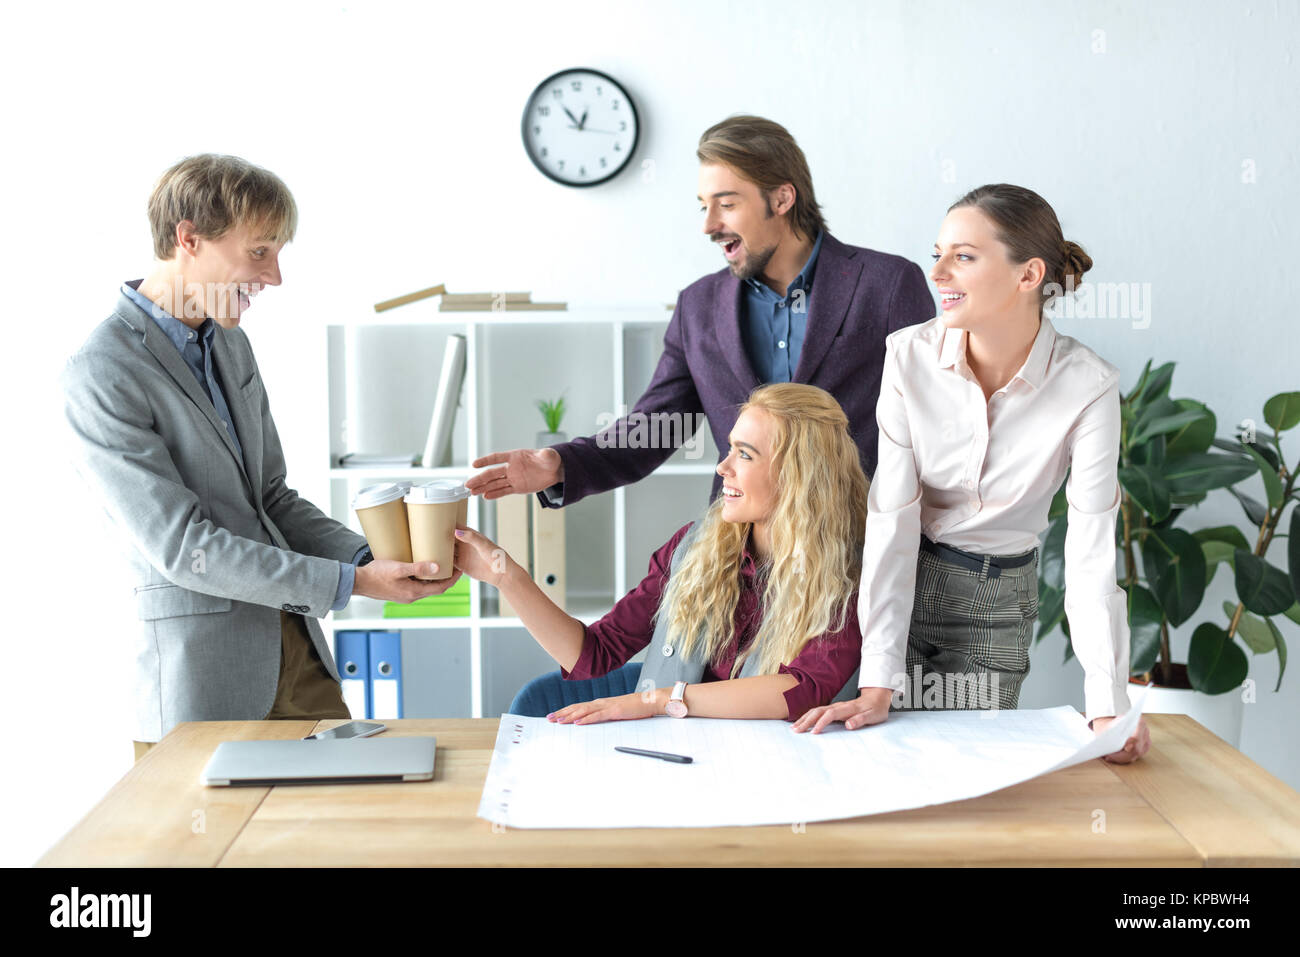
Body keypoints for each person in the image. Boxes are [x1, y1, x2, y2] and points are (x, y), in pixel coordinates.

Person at [62, 154, 459, 753]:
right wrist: (352, 584)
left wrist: (375, 558)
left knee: (336, 837)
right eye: (259, 252)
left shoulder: (231, 345)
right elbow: (182, 546)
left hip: (299, 656)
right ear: (188, 240)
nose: (274, 277)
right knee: (217, 848)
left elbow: (270, 498)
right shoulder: (102, 371)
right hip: (205, 684)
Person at [794, 184, 1151, 764]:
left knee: (964, 771)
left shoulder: (1089, 386)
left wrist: (1107, 702)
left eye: (963, 256)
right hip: (899, 586)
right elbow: (892, 519)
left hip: (996, 603)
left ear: (1028, 274)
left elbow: (1090, 553)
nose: (936, 272)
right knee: (872, 764)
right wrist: (879, 677)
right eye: (937, 252)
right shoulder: (907, 356)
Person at [466, 114, 933, 509]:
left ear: (782, 199)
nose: (710, 225)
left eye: (726, 204)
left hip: (861, 546)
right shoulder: (697, 307)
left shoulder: (888, 284)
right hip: (739, 553)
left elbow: (931, 423)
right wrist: (561, 463)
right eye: (704, 206)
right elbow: (654, 426)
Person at [454, 384, 866, 722]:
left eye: (745, 454)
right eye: (729, 449)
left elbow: (803, 689)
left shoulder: (849, 576)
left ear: (799, 475)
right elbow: (594, 654)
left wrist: (659, 700)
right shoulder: (691, 546)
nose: (723, 468)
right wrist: (505, 576)